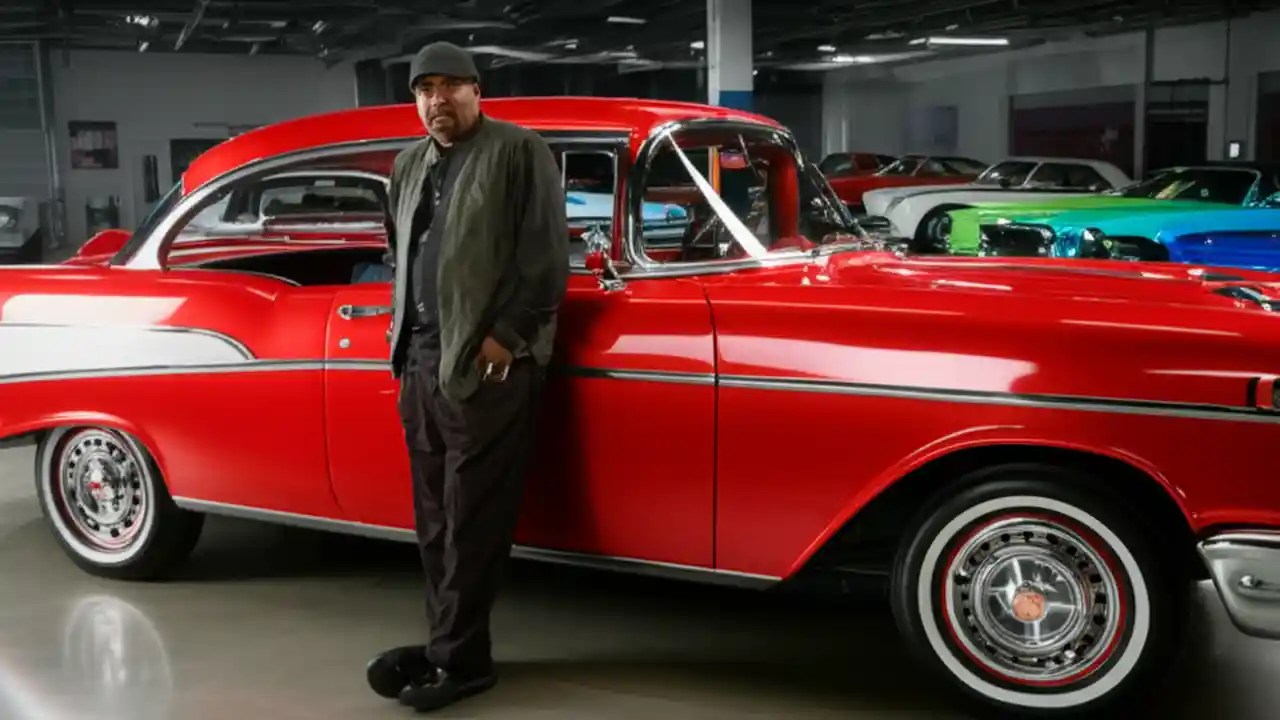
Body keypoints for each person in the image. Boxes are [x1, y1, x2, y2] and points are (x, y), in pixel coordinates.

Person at [364, 41, 569, 713]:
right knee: (433, 520)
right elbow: (399, 251)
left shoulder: (519, 152)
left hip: (488, 366)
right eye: (425, 90)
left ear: (477, 92)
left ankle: (462, 660)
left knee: (473, 518)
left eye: (451, 86)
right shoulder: (408, 164)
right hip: (420, 361)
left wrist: (504, 338)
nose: (437, 100)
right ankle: (446, 644)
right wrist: (402, 342)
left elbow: (546, 261)